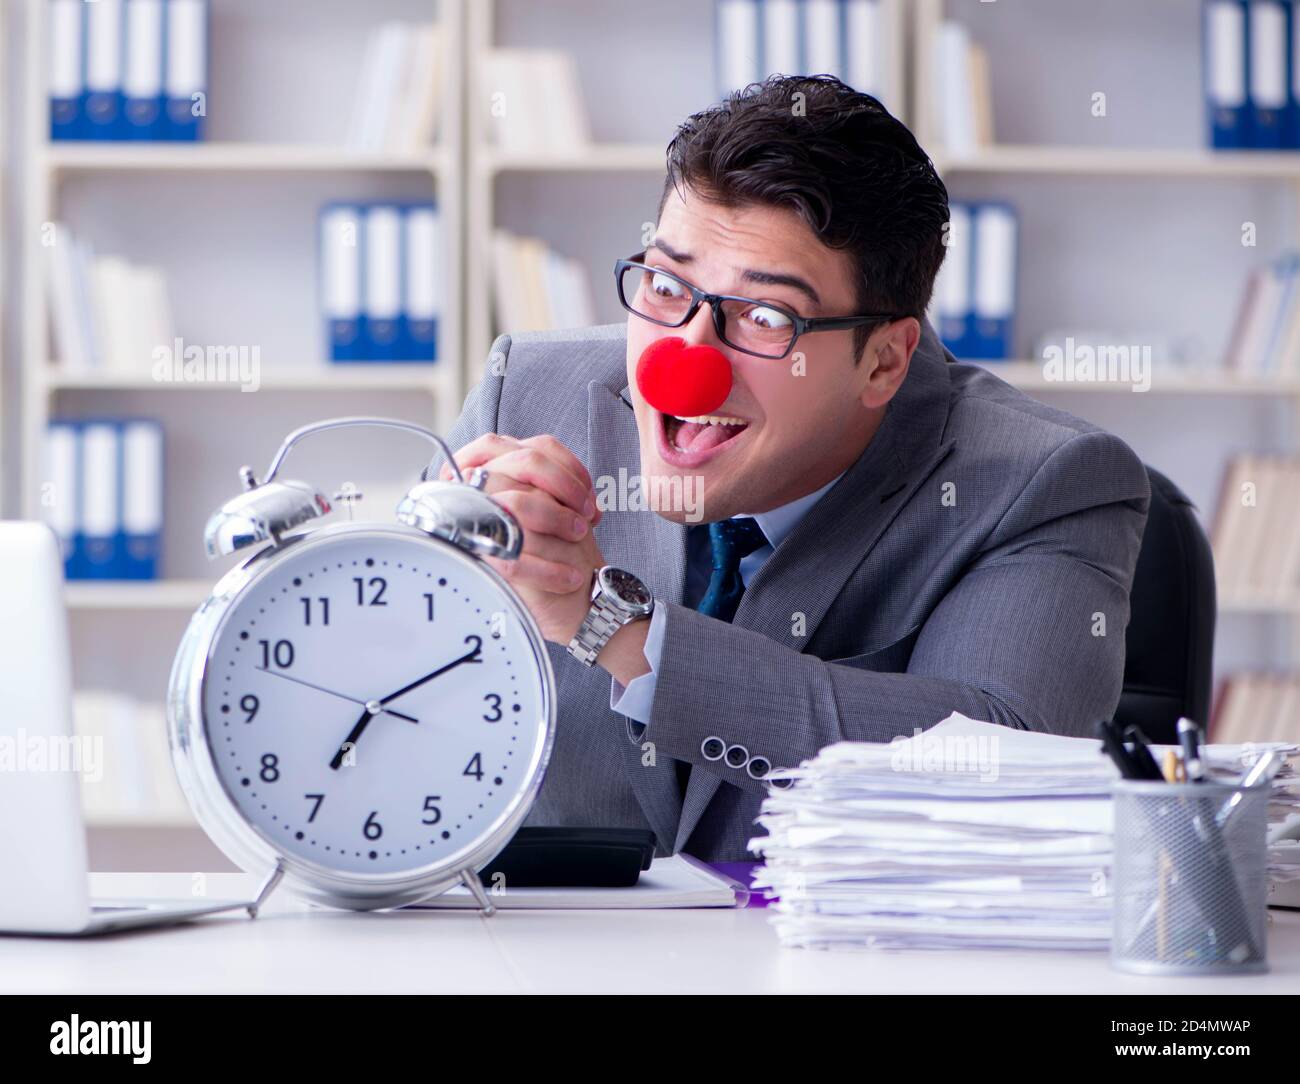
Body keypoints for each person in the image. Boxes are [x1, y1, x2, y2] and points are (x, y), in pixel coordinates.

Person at [435, 75, 1150, 862]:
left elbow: (1007, 773)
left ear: (883, 362)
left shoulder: (1043, 482)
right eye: (669, 285)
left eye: (765, 316)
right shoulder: (526, 394)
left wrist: (616, 628)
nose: (686, 362)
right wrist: (418, 585)